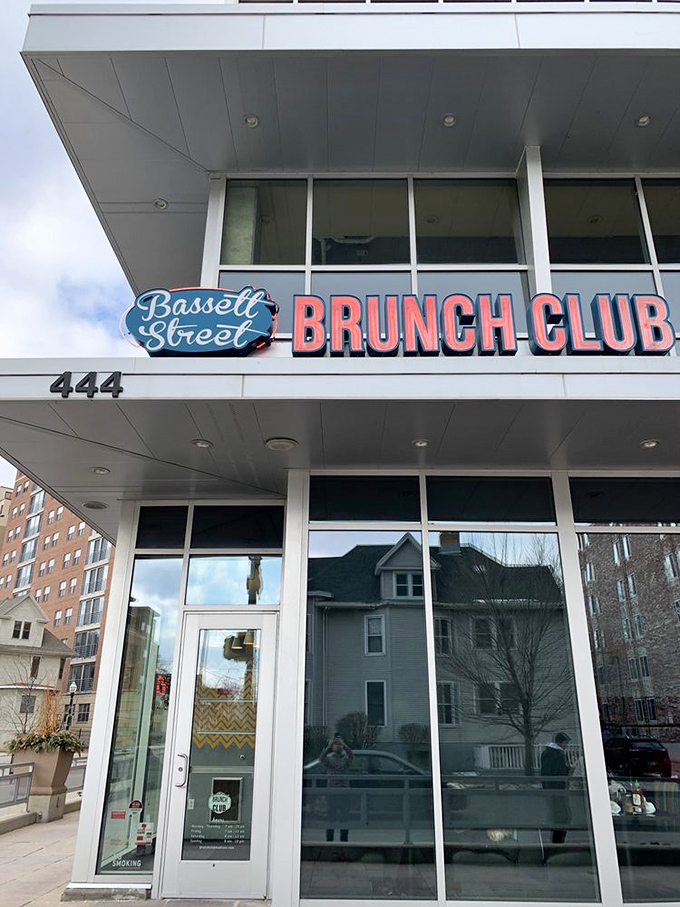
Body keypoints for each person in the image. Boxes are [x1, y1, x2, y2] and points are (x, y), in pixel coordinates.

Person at [320, 734, 354, 842]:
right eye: (336, 744)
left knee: (344, 818)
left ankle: (344, 841)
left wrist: (344, 745)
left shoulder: (345, 759)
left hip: (343, 792)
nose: (338, 746)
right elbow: (321, 758)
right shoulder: (329, 759)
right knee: (331, 817)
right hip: (332, 791)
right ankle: (329, 841)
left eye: (339, 744)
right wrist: (328, 746)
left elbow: (351, 756)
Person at [540, 732, 572, 844]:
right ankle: (558, 841)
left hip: (551, 788)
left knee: (557, 815)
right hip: (558, 789)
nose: (566, 745)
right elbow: (559, 772)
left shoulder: (547, 753)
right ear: (562, 742)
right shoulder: (558, 754)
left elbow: (545, 772)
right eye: (565, 743)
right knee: (562, 816)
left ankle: (557, 840)